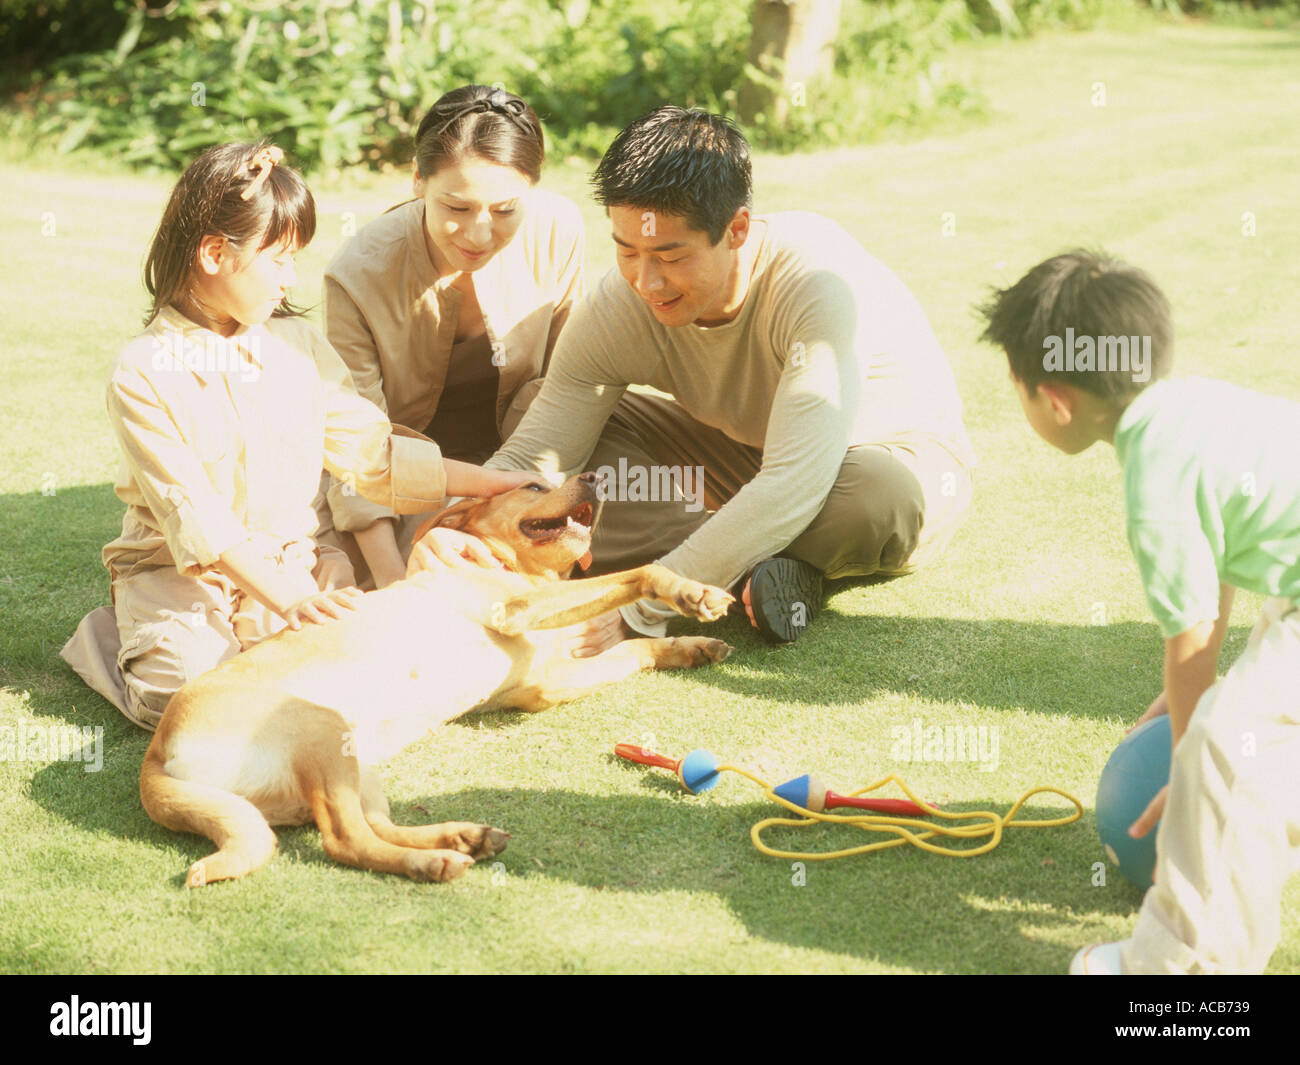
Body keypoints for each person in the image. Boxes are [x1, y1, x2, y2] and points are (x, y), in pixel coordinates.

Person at [60, 141, 532, 731]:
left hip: (294, 560)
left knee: (341, 681)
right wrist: (294, 602)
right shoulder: (143, 372)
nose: (290, 280)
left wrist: (497, 481)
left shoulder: (298, 346)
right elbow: (199, 519)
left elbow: (375, 455)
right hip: (177, 574)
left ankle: (251, 639)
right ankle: (111, 638)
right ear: (213, 253)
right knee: (187, 704)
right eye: (279, 260)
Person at [484, 106, 975, 649]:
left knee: (874, 496)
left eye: (670, 256)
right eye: (626, 250)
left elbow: (796, 479)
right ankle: (750, 571)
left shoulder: (818, 280)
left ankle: (722, 556)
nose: (646, 281)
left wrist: (643, 605)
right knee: (532, 406)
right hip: (744, 460)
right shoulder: (622, 303)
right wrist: (446, 537)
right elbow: (536, 456)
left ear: (737, 229)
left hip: (871, 464)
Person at [979, 249, 1300, 974]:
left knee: (1223, 741)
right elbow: (1210, 574)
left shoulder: (1152, 473)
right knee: (1246, 721)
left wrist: (1188, 777)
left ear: (1054, 397)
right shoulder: (1184, 408)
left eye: (1018, 390)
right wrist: (1178, 711)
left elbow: (1191, 650)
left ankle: (1183, 964)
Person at [319, 85, 584, 588]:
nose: (480, 235)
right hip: (406, 478)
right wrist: (394, 581)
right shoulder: (357, 273)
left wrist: (534, 487)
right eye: (456, 209)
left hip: (530, 457)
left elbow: (571, 383)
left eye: (506, 211)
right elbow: (357, 448)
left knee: (641, 490)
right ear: (417, 180)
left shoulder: (559, 227)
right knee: (390, 558)